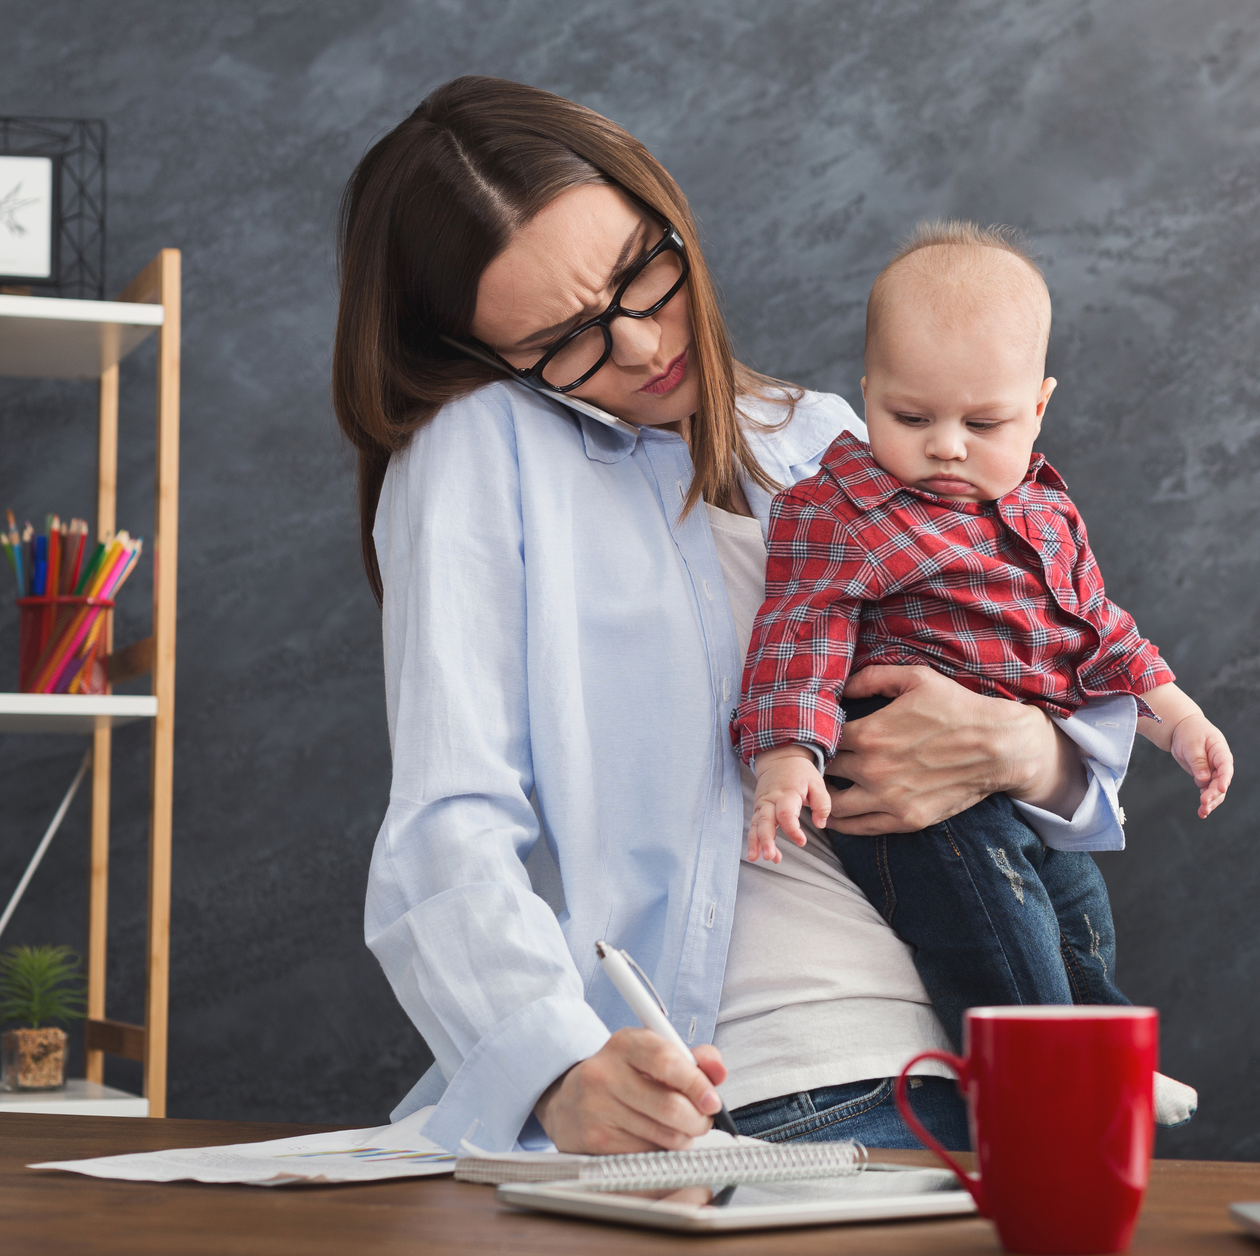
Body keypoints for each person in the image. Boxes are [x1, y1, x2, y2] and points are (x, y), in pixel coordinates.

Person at [333, 77, 1147, 1156]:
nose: (634, 346)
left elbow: (1045, 677)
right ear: (492, 355)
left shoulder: (826, 435)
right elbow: (448, 823)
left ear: (668, 213)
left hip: (982, 1045)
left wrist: (1025, 748)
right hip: (773, 1085)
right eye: (566, 340)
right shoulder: (480, 448)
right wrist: (556, 1067)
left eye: (642, 277)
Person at [730, 223, 1227, 1123]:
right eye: (910, 418)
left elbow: (1096, 633)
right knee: (998, 933)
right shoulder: (836, 510)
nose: (946, 447)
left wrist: (1177, 718)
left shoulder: (1041, 509)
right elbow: (796, 636)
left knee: (1076, 913)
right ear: (867, 394)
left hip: (1014, 788)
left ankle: (1103, 1053)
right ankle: (1034, 1076)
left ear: (1036, 407)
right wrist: (785, 757)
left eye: (983, 422)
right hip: (913, 809)